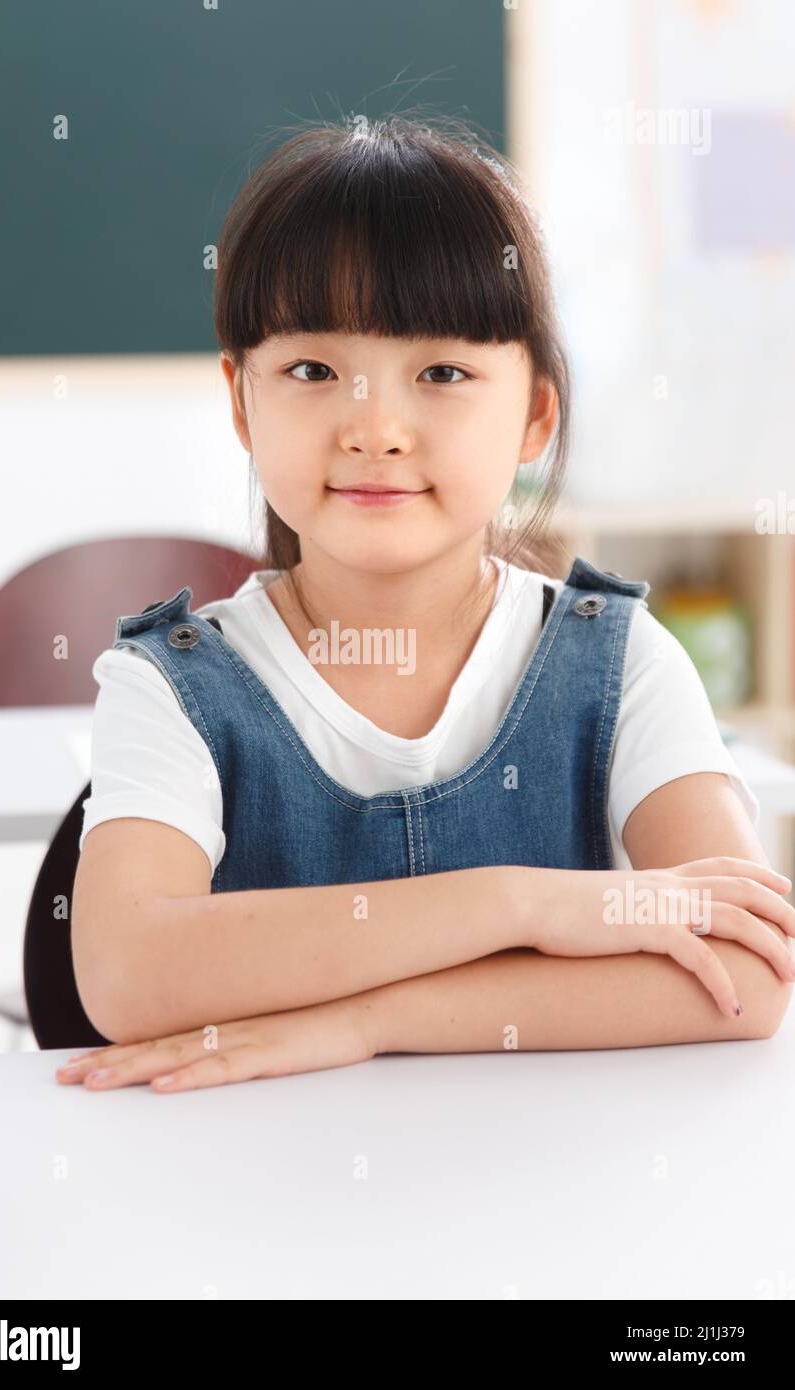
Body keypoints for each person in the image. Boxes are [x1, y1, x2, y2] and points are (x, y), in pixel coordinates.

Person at [59, 115, 794, 1094]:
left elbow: (748, 972)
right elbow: (127, 971)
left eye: (441, 372)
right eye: (313, 371)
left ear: (535, 410)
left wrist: (369, 1022)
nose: (374, 428)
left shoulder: (617, 661)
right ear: (242, 403)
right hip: (253, 1208)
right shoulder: (171, 685)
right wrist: (526, 908)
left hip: (543, 1203)